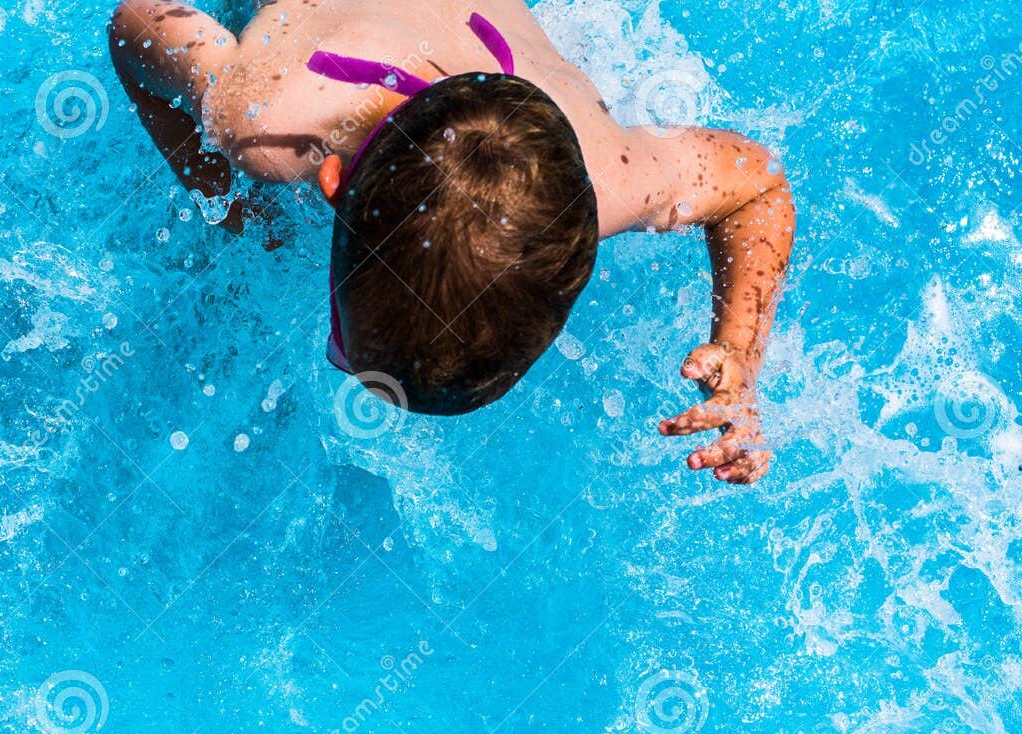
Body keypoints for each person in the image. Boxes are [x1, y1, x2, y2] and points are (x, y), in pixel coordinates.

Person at [108, 0, 795, 484]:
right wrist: (237, 211)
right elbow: (134, 22)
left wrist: (740, 354)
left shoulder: (608, 172)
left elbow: (757, 184)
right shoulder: (266, 122)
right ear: (333, 182)